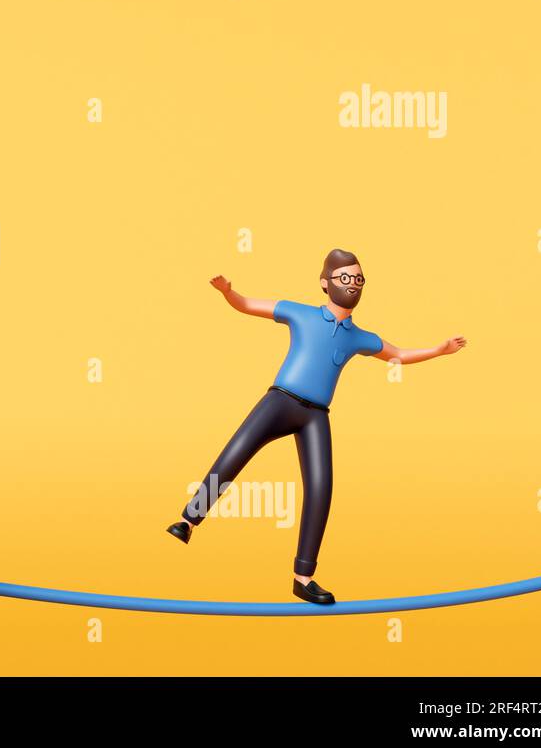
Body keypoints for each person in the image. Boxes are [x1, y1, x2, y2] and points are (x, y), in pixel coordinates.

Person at [165, 249, 467, 604]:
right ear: (325, 283)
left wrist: (438, 350)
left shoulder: (360, 337)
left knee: (321, 487)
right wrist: (228, 292)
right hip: (279, 401)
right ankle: (188, 521)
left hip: (315, 416)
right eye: (344, 278)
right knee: (234, 455)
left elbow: (397, 354)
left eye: (357, 279)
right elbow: (248, 305)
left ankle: (303, 576)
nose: (352, 284)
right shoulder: (300, 313)